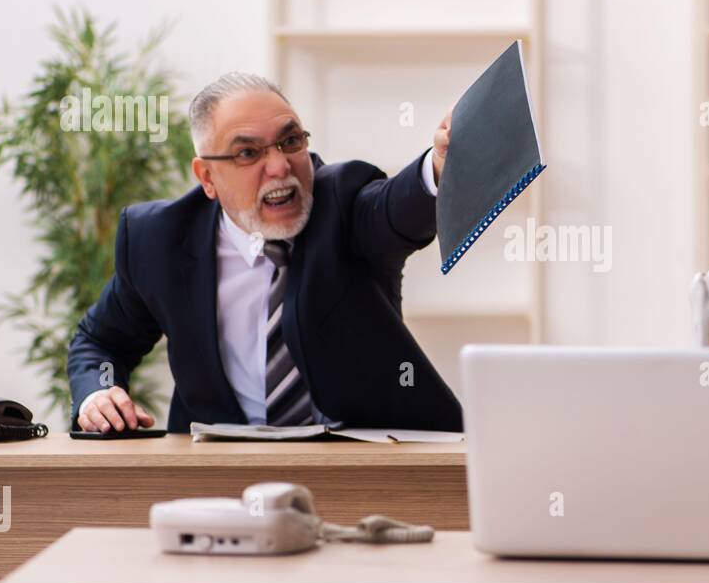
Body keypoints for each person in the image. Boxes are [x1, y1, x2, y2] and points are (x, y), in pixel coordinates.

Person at [68, 72, 461, 433]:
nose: (279, 166)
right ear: (207, 177)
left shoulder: (345, 199)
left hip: (369, 470)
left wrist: (439, 166)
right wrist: (98, 393)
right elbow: (100, 340)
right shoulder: (158, 239)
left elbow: (394, 211)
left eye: (290, 142)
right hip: (222, 476)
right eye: (248, 153)